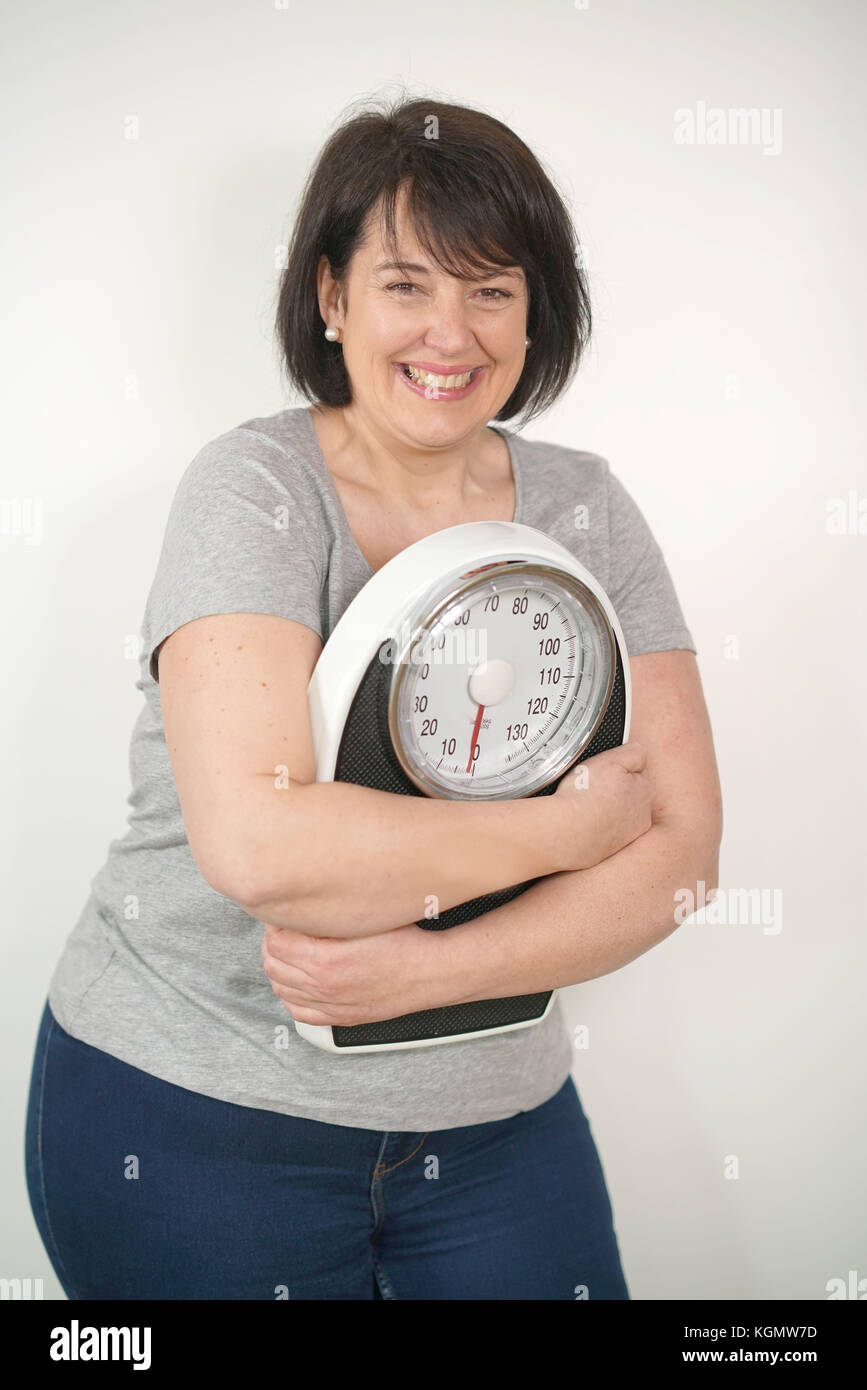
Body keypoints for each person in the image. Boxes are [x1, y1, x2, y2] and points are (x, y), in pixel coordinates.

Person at [24, 94, 722, 1301]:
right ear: (331, 298)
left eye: (492, 288)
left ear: (534, 311)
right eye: (407, 284)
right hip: (204, 1114)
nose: (451, 331)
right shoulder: (256, 488)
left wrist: (424, 974)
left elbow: (686, 855)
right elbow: (261, 843)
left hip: (499, 1116)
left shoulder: (583, 506)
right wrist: (569, 831)